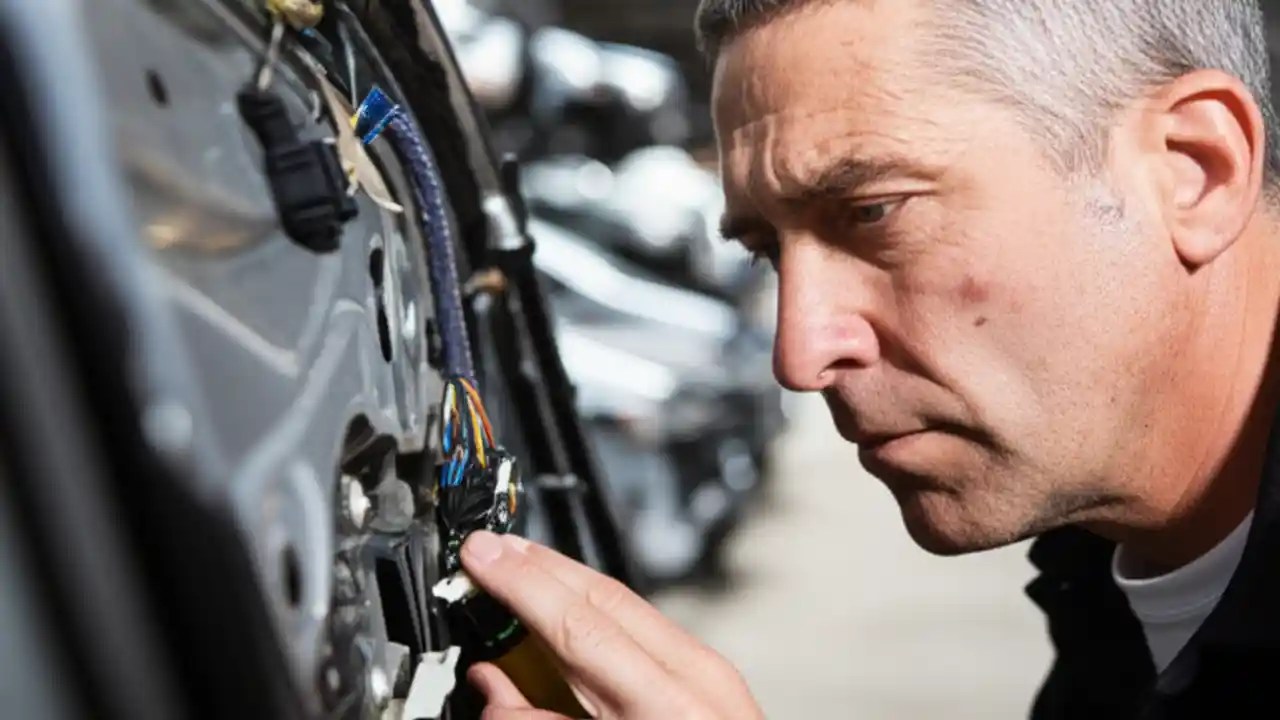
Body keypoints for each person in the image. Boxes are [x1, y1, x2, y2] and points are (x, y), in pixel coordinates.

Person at [459, 0, 1280, 717]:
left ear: (1194, 171)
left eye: (874, 212)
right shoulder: (1110, 587)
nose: (800, 354)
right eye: (767, 254)